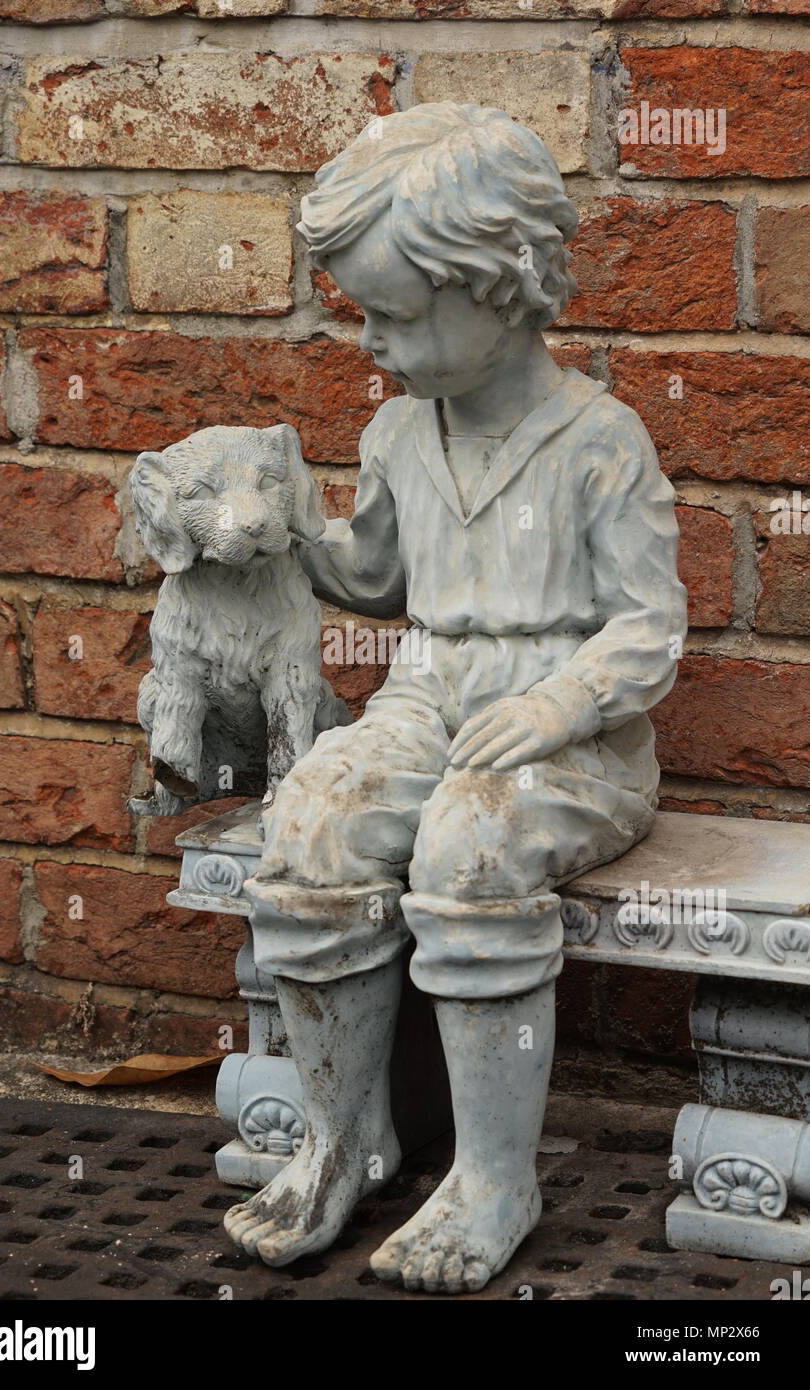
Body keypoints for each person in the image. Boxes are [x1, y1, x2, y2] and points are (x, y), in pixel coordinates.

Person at [224, 102, 688, 1294]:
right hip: (426, 693)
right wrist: (289, 538)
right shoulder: (394, 434)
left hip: (566, 731)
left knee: (471, 843)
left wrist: (559, 705)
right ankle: (345, 1138)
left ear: (498, 285)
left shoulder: (599, 440)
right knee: (313, 820)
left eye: (393, 311)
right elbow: (379, 578)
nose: (370, 338)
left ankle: (491, 1173)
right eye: (362, 312)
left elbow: (648, 629)